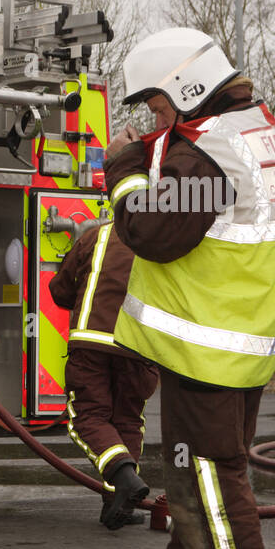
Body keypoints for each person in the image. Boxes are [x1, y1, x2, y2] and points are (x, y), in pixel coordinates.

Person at [104, 27, 275, 549]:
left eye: (158, 108)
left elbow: (152, 233)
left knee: (214, 486)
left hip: (208, 350)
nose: (153, 121)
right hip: (234, 342)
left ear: (188, 91)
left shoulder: (207, 156)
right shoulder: (252, 131)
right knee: (190, 477)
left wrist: (126, 173)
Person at [49, 211, 161, 529]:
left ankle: (123, 480)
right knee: (127, 419)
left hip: (92, 343)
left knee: (89, 418)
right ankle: (118, 506)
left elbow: (60, 291)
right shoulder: (166, 244)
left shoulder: (95, 236)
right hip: (140, 348)